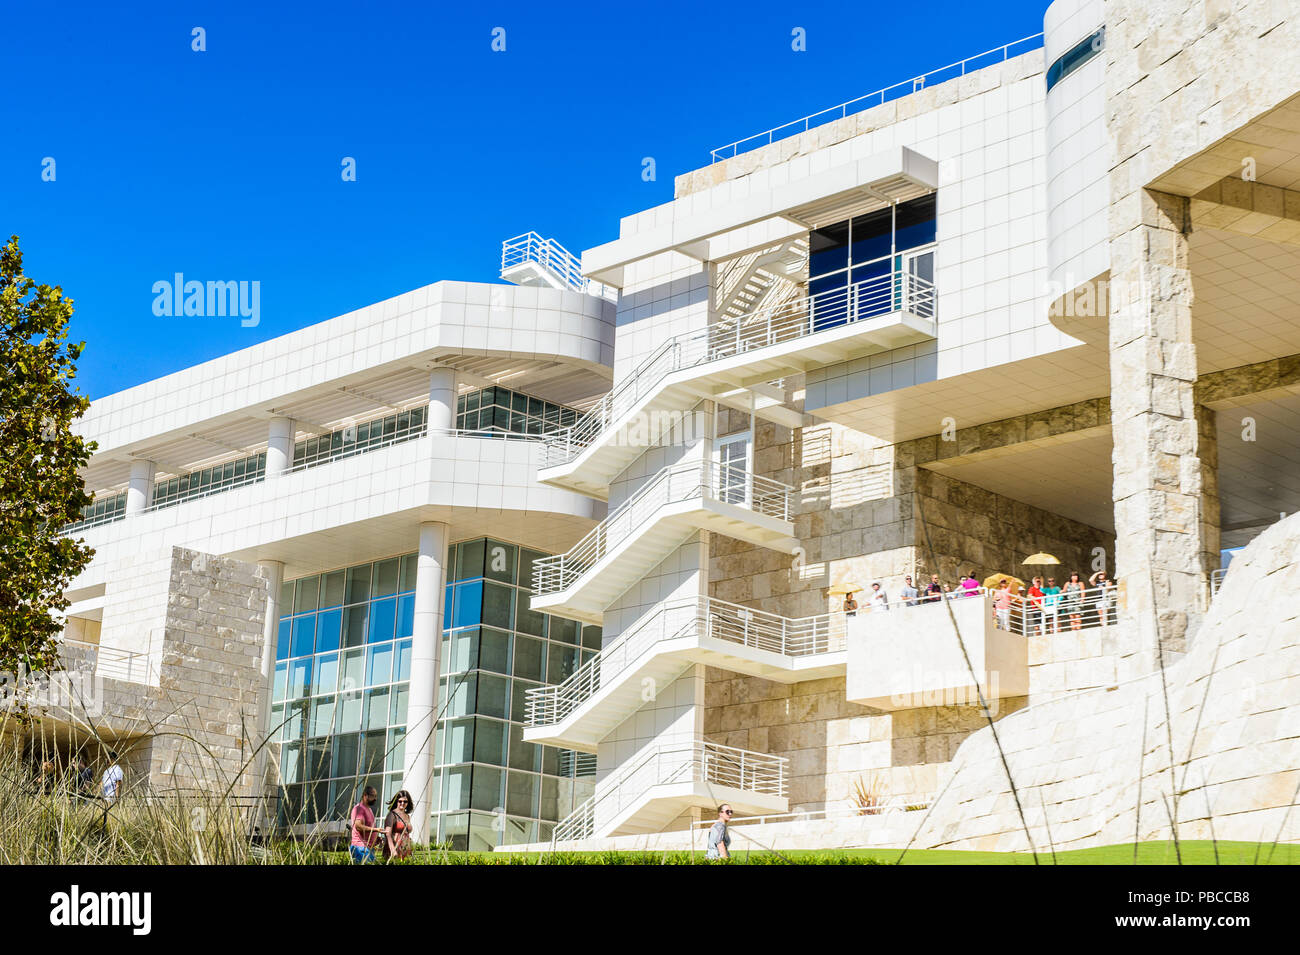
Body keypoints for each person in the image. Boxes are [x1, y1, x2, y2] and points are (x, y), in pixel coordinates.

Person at [349, 785, 384, 863]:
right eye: (372, 796)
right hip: (360, 848)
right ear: (365, 795)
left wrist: (376, 838)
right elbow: (358, 826)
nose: (375, 799)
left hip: (369, 848)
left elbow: (368, 828)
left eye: (376, 796)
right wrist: (376, 830)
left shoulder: (369, 809)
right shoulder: (359, 808)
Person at [383, 790, 415, 862]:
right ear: (396, 801)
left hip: (405, 849)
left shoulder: (407, 816)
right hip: (395, 847)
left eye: (405, 801)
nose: (402, 803)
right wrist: (393, 850)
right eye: (400, 801)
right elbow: (387, 834)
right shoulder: (392, 814)